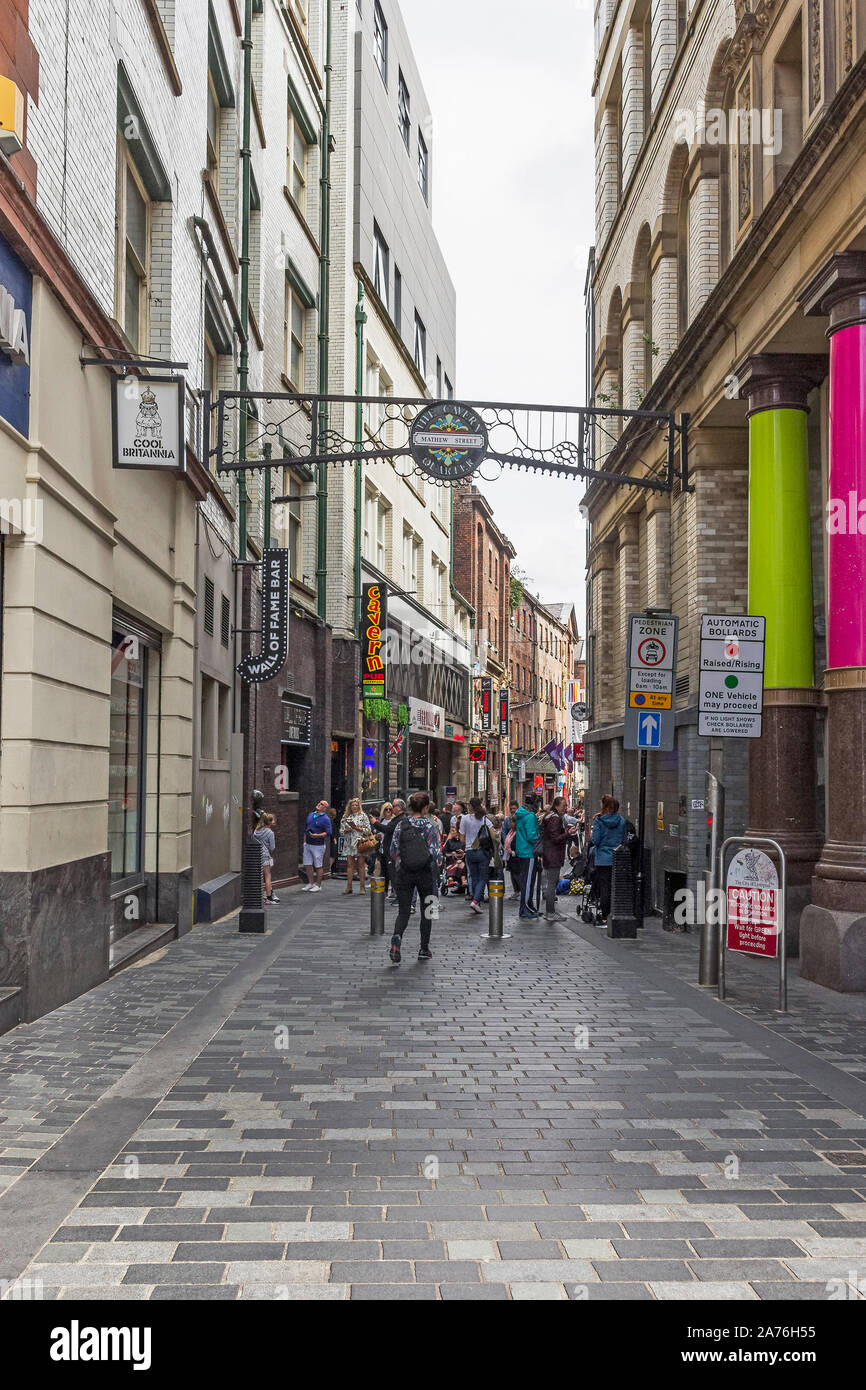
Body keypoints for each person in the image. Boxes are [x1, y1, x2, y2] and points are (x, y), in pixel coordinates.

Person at [389, 791, 441, 963]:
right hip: (426, 873)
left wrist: (403, 863)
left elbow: (393, 851)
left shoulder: (401, 824)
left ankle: (397, 938)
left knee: (403, 911)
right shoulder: (430, 826)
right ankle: (424, 949)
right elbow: (435, 854)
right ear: (426, 808)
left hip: (405, 872)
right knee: (428, 912)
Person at [591, 794, 629, 926]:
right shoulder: (622, 820)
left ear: (605, 805)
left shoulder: (598, 821)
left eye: (601, 803)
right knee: (616, 886)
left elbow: (595, 840)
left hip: (602, 859)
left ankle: (605, 917)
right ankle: (616, 913)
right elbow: (624, 840)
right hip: (617, 858)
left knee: (604, 887)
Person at [460, 796, 495, 915]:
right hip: (482, 851)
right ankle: (475, 901)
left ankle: (477, 902)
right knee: (483, 878)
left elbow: (462, 838)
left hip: (469, 851)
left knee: (474, 877)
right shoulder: (484, 819)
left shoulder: (464, 819)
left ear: (470, 806)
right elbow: (493, 834)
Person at [539, 796, 568, 921]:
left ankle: (550, 912)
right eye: (563, 806)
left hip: (550, 854)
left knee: (552, 882)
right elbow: (555, 838)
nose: (565, 808)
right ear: (556, 806)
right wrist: (568, 833)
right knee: (552, 883)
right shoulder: (555, 819)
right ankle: (550, 912)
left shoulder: (550, 817)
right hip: (553, 855)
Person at [514, 793, 541, 920]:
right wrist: (540, 838)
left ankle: (528, 906)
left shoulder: (521, 814)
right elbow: (531, 836)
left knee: (527, 880)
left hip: (522, 850)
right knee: (528, 881)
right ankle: (525, 908)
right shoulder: (530, 816)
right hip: (528, 851)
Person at [340, 798, 372, 894]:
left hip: (360, 842)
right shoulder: (345, 816)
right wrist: (346, 830)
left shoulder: (363, 816)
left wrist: (358, 828)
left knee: (361, 865)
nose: (354, 807)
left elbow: (368, 830)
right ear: (350, 806)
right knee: (350, 865)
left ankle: (362, 887)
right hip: (349, 843)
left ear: (359, 806)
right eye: (353, 805)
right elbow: (340, 831)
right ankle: (349, 887)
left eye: (356, 805)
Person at [302, 799, 332, 892]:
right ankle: (311, 883)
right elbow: (306, 828)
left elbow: (328, 832)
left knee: (318, 865)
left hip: (318, 845)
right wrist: (304, 842)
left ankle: (318, 885)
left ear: (325, 808)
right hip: (308, 844)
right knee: (307, 864)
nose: (319, 804)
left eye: (322, 804)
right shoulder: (311, 815)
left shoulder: (326, 819)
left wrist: (316, 835)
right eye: (319, 803)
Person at [381, 799, 405, 901]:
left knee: (395, 874)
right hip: (390, 851)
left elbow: (388, 829)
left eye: (393, 807)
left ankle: (399, 897)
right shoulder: (397, 819)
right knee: (391, 873)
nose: (390, 810)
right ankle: (397, 894)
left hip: (395, 853)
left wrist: (374, 823)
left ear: (398, 808)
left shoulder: (399, 820)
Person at [253, 812, 279, 904]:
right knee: (267, 876)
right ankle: (268, 898)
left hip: (256, 855)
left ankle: (269, 894)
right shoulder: (270, 833)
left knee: (259, 876)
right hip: (265, 855)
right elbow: (272, 847)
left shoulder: (256, 830)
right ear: (270, 822)